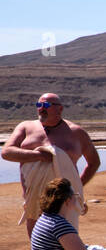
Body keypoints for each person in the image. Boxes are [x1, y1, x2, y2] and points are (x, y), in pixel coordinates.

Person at [2, 92, 99, 236]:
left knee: (65, 240)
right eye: (39, 105)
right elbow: (6, 152)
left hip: (64, 200)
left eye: (46, 105)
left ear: (60, 109)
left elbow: (94, 162)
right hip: (34, 199)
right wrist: (39, 156)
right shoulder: (26, 127)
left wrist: (76, 187)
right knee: (37, 241)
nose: (41, 108)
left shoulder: (76, 133)